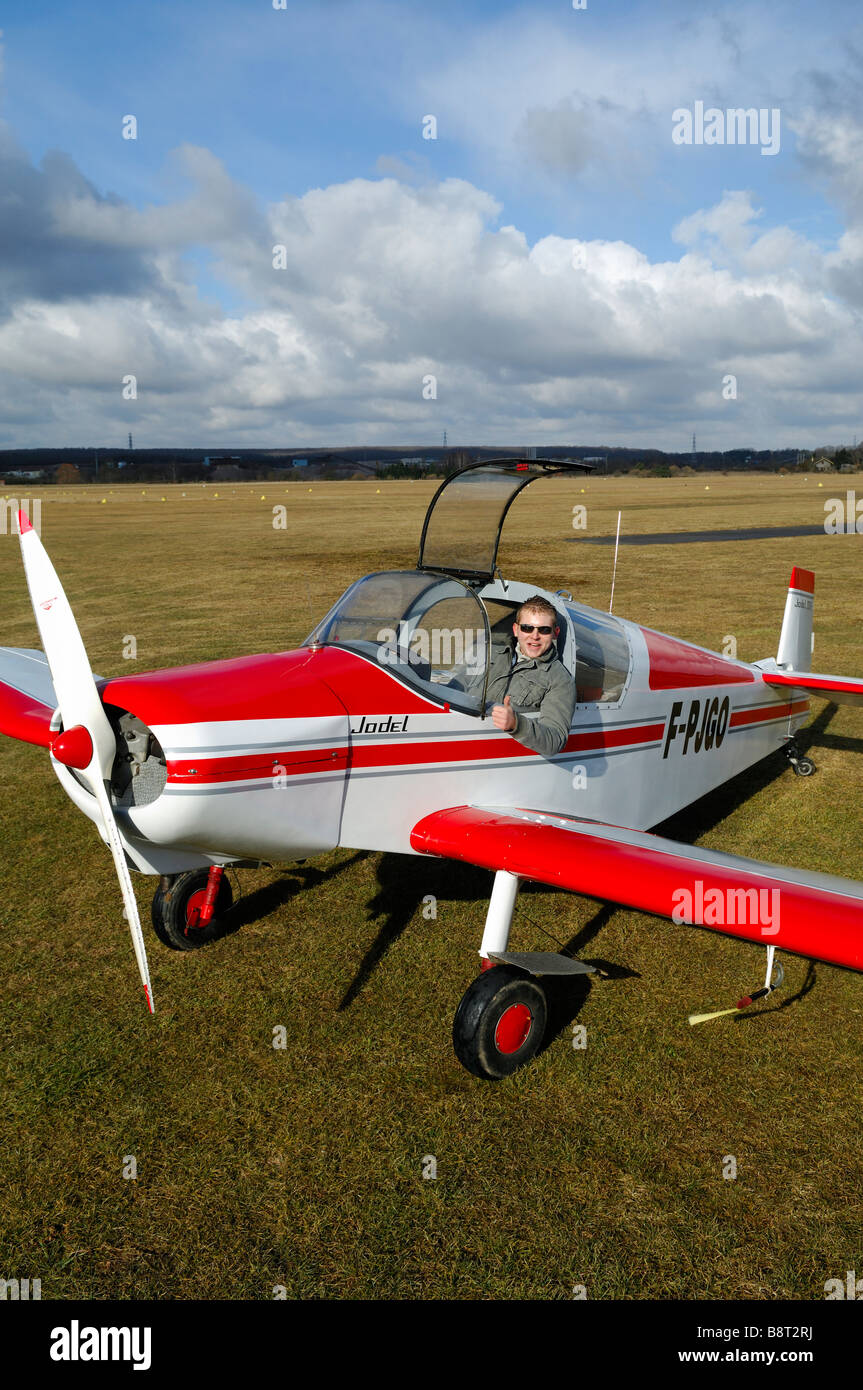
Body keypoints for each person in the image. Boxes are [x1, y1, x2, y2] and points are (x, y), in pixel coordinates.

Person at [484, 596, 575, 757]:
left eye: (544, 630)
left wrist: (516, 724)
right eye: (527, 628)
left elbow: (555, 740)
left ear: (555, 633)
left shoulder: (560, 680)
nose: (535, 636)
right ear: (515, 629)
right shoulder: (490, 654)